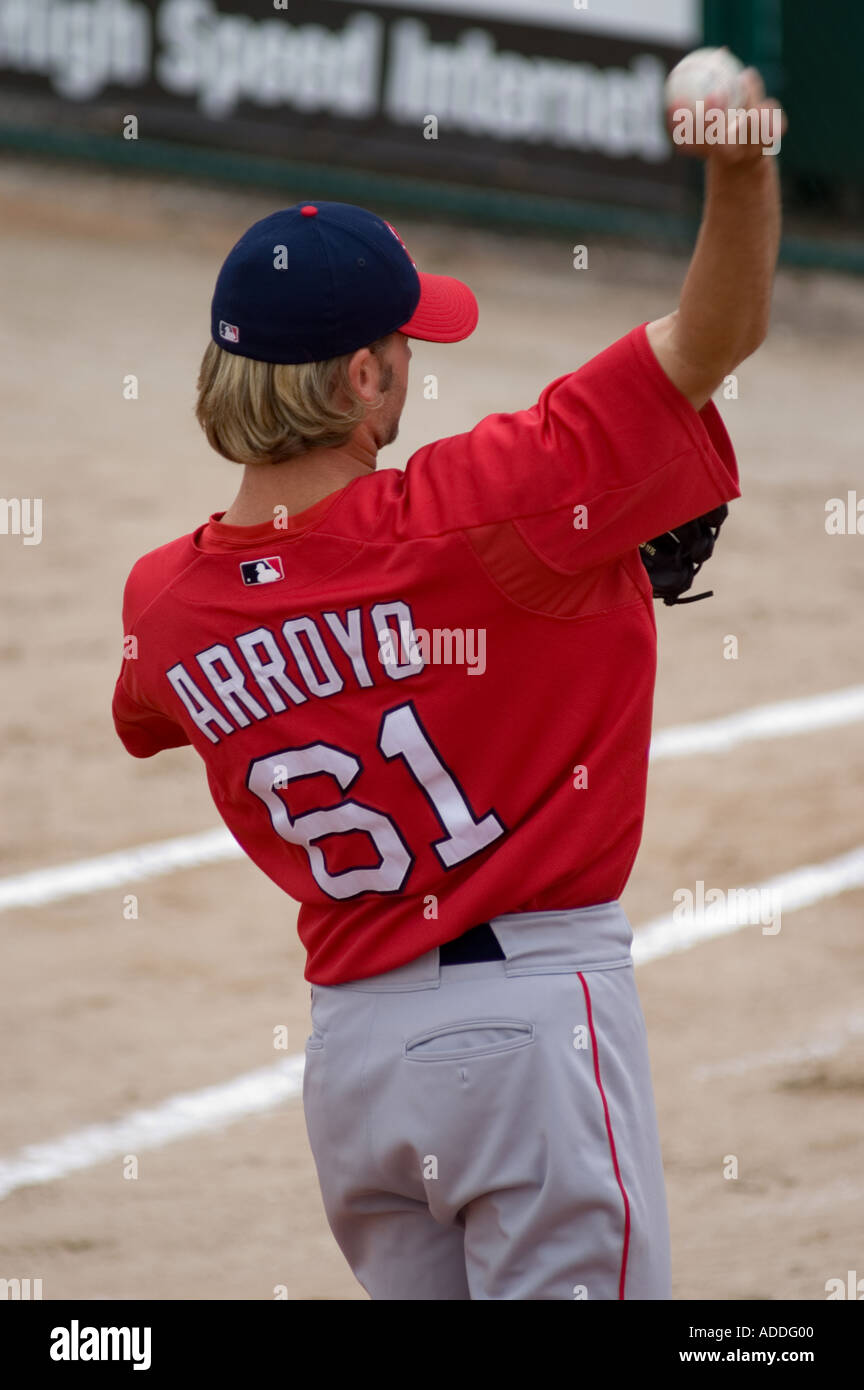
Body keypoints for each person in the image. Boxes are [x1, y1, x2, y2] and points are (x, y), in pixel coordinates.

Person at [112, 72, 783, 1300]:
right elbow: (711, 338)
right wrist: (738, 170)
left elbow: (156, 709)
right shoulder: (486, 505)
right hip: (528, 1032)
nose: (414, 363)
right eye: (403, 345)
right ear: (362, 382)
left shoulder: (162, 603)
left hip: (353, 1065)